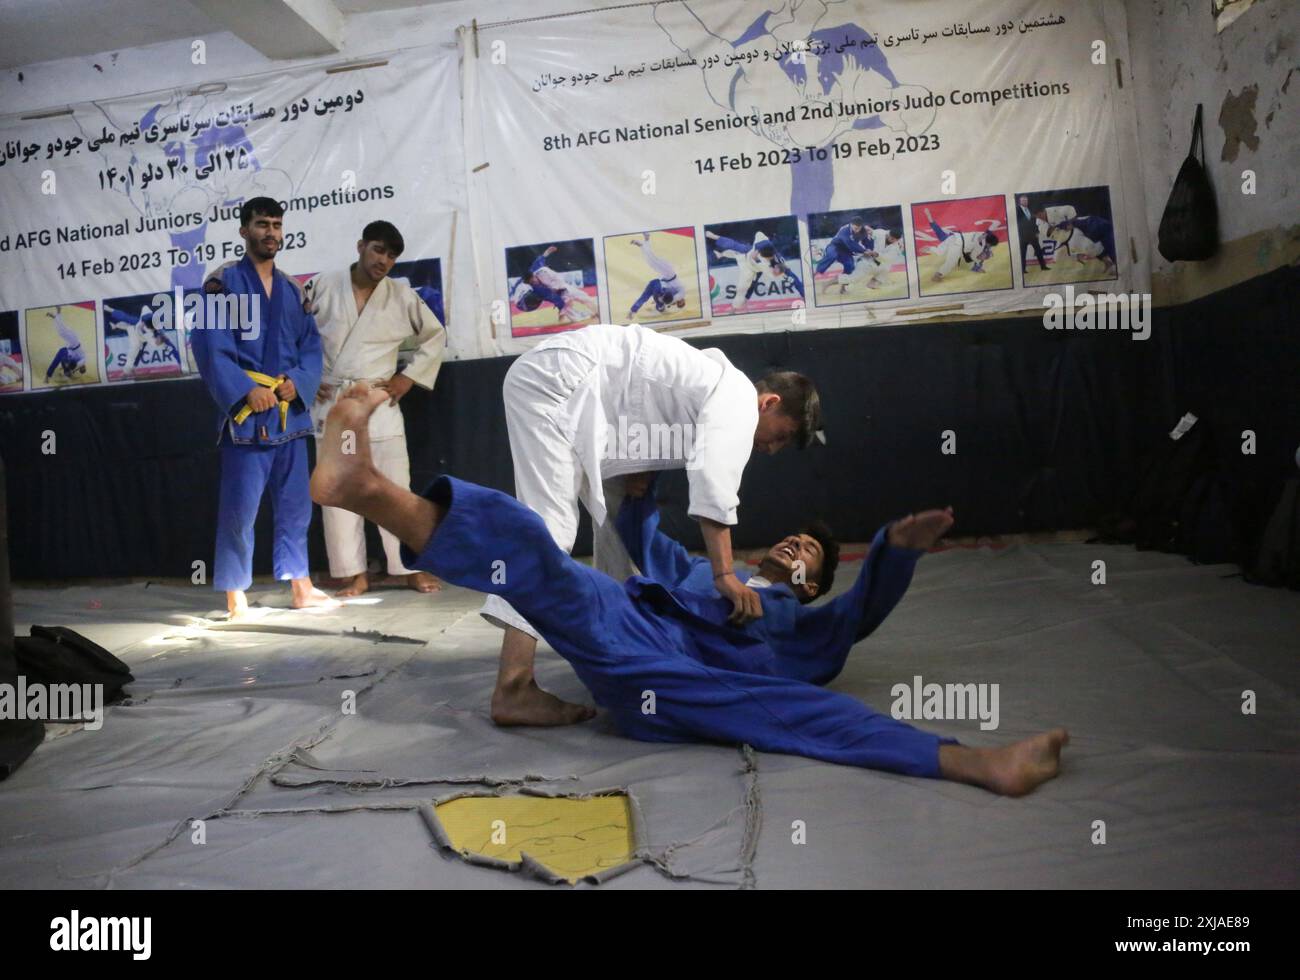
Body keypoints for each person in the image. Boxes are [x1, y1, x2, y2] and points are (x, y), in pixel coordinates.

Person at [309, 385, 1069, 796]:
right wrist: (639, 488)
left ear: (809, 589)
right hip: (625, 627)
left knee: (818, 712)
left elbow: (859, 613)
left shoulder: (807, 629)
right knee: (535, 553)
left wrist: (895, 551)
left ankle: (974, 763)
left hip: (693, 683)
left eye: (811, 556)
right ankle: (363, 485)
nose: (799, 547)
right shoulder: (703, 581)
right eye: (794, 540)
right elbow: (645, 541)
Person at [484, 321, 822, 727]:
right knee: (548, 532)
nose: (771, 449)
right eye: (780, 436)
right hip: (561, 382)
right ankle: (513, 687)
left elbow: (649, 407)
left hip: (579, 392)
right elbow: (713, 483)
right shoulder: (738, 400)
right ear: (768, 403)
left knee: (616, 538)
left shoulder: (711, 383)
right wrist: (725, 574)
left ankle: (611, 649)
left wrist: (637, 464)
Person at [190, 196, 335, 619]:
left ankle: (301, 585)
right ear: (243, 231)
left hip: (290, 413)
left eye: (276, 224)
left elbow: (311, 346)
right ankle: (236, 595)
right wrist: (242, 390)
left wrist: (300, 382)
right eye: (261, 224)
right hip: (248, 417)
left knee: (295, 506)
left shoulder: (293, 290)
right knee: (241, 508)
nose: (270, 232)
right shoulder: (222, 283)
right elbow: (210, 346)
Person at [308, 220, 447, 597]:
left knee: (394, 489)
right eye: (378, 250)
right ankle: (353, 572)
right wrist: (305, 377)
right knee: (339, 489)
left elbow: (435, 336)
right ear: (361, 246)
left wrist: (406, 379)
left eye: (391, 256)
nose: (383, 261)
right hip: (335, 405)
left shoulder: (400, 296)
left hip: (378, 402)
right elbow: (293, 333)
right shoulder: (322, 285)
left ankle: (407, 568)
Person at [706, 230, 805, 313]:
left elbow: (796, 281)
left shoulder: (778, 267)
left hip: (751, 270)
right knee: (737, 249)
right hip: (746, 258)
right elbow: (758, 234)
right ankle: (721, 254)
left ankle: (734, 307)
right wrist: (714, 236)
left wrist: (804, 295)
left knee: (741, 288)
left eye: (776, 272)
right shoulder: (761, 246)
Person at [924, 208, 999, 282]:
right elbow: (973, 256)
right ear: (989, 244)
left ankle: (930, 248)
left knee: (940, 249)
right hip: (958, 245)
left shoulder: (984, 233)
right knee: (951, 262)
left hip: (954, 237)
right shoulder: (980, 246)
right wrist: (979, 260)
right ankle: (937, 275)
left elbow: (995, 225)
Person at [628, 233, 687, 319]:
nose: (681, 301)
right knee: (652, 259)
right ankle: (644, 243)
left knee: (650, 262)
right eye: (682, 302)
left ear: (678, 303)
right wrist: (661, 303)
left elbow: (668, 298)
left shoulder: (674, 297)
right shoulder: (681, 294)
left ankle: (645, 241)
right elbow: (671, 299)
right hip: (669, 273)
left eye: (679, 303)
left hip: (664, 277)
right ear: (684, 300)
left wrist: (658, 302)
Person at [43, 307, 88, 382]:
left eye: (82, 369)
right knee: (62, 331)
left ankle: (48, 375)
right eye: (84, 368)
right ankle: (57, 314)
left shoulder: (73, 362)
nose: (83, 367)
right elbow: (76, 366)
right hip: (74, 343)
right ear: (84, 367)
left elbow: (72, 367)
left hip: (68, 349)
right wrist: (70, 372)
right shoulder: (83, 360)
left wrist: (66, 371)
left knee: (59, 358)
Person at [1016, 195, 1049, 273]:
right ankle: (1023, 269)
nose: (1025, 202)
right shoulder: (1017, 210)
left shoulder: (1029, 209)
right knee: (1023, 254)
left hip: (1032, 236)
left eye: (1026, 200)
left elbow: (1034, 222)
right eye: (1023, 200)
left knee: (1038, 251)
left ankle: (1043, 267)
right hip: (1022, 236)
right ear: (1020, 202)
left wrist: (1037, 232)